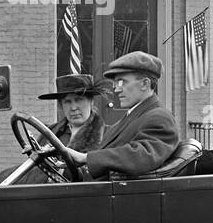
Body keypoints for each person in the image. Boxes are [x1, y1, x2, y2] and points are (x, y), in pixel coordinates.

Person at [64, 51, 180, 179]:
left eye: (121, 82)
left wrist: (86, 158)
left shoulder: (159, 117)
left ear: (145, 84)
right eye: (115, 83)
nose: (116, 89)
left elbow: (142, 156)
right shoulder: (135, 116)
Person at [19, 73, 107, 183]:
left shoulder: (107, 135)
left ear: (91, 102)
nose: (74, 108)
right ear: (61, 105)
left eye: (79, 99)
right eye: (67, 102)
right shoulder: (50, 132)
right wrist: (34, 154)